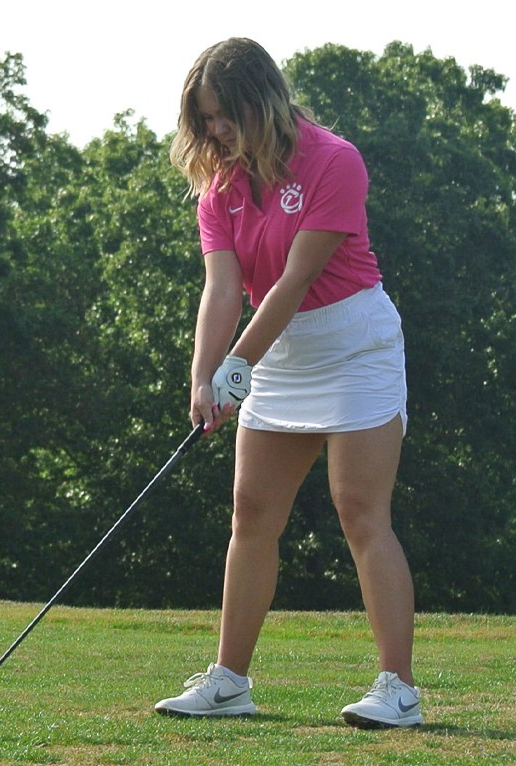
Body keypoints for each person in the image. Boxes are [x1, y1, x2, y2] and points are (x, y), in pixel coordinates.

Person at [154, 37, 421, 729]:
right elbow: (221, 291)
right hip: (279, 355)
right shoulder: (221, 188)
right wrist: (203, 376)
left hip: (353, 343)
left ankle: (398, 686)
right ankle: (230, 679)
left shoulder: (335, 161)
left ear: (261, 98)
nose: (215, 130)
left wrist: (237, 364)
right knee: (250, 512)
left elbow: (296, 280)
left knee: (360, 509)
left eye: (224, 114)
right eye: (205, 118)